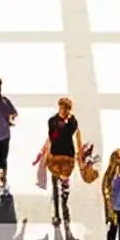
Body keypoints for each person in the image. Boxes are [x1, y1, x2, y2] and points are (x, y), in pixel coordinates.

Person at [35, 97, 83, 228]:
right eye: (62, 108)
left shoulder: (72, 121)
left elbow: (70, 133)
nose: (64, 111)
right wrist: (59, 128)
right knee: (55, 185)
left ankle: (65, 206)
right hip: (55, 156)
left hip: (68, 156)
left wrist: (65, 125)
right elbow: (52, 136)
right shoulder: (52, 121)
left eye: (66, 109)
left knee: (65, 183)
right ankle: (56, 213)